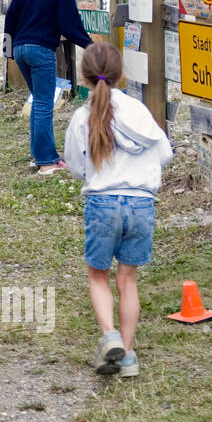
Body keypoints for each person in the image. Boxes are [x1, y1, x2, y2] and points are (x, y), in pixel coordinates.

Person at [64, 43, 173, 378]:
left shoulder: (82, 117)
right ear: (121, 74)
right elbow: (165, 153)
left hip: (102, 204)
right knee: (128, 279)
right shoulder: (139, 111)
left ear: (83, 77)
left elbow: (75, 165)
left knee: (98, 276)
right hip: (141, 204)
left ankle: (108, 334)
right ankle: (126, 355)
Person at [3, 0, 94, 174]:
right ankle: (46, 161)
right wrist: (92, 47)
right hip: (42, 50)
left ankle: (39, 155)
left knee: (38, 101)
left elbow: (11, 14)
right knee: (44, 103)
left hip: (21, 50)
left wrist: (8, 48)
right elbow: (70, 27)